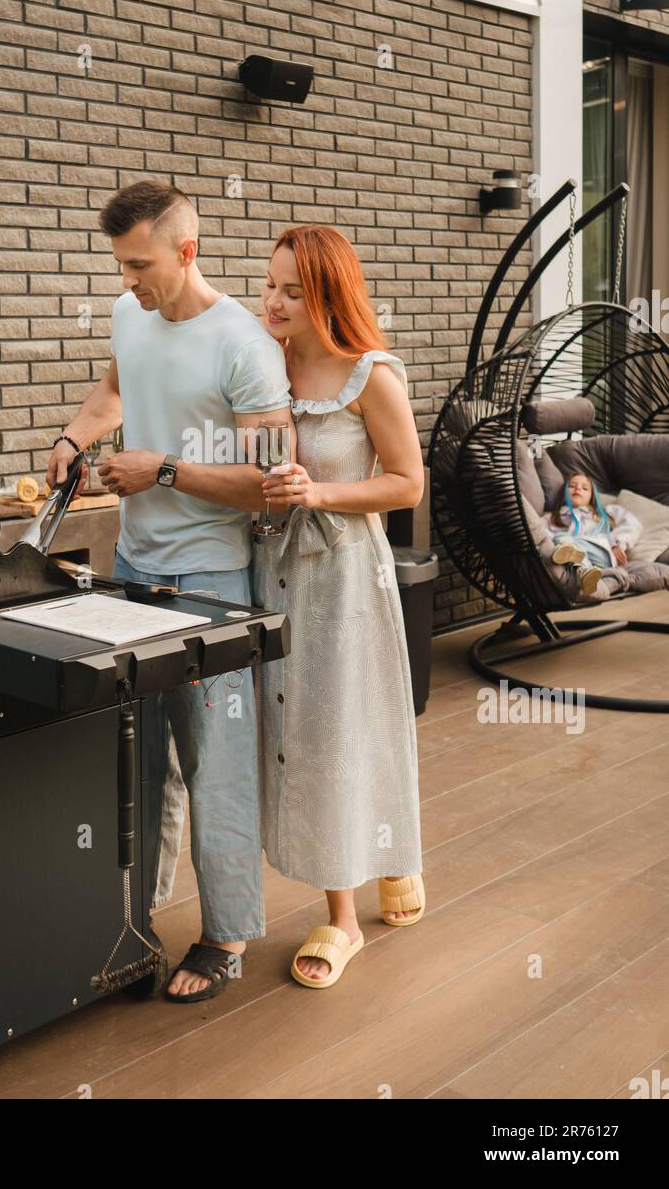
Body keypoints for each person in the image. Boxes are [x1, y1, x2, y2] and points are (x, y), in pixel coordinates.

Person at [46, 180, 295, 1003]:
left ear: (186, 251)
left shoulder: (244, 343)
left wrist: (163, 469)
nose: (128, 282)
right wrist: (72, 437)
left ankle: (225, 934)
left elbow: (271, 481)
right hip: (136, 571)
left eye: (140, 264)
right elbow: (114, 390)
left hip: (215, 581)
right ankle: (134, 919)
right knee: (140, 756)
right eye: (120, 265)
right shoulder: (130, 315)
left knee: (213, 759)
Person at [252, 224, 426, 990]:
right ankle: (394, 858)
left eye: (293, 289)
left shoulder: (370, 375)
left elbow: (407, 484)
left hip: (347, 580)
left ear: (328, 293)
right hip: (275, 572)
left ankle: (344, 917)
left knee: (344, 732)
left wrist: (319, 491)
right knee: (295, 730)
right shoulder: (266, 366)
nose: (274, 301)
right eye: (270, 285)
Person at [542, 471, 642, 597]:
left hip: (601, 554)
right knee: (561, 540)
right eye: (572, 486)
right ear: (563, 493)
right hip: (570, 562)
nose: (578, 488)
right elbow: (539, 534)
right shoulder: (550, 518)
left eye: (584, 488)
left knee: (564, 540)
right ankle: (589, 575)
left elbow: (632, 524)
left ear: (592, 496)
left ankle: (586, 572)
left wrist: (617, 544)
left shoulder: (604, 513)